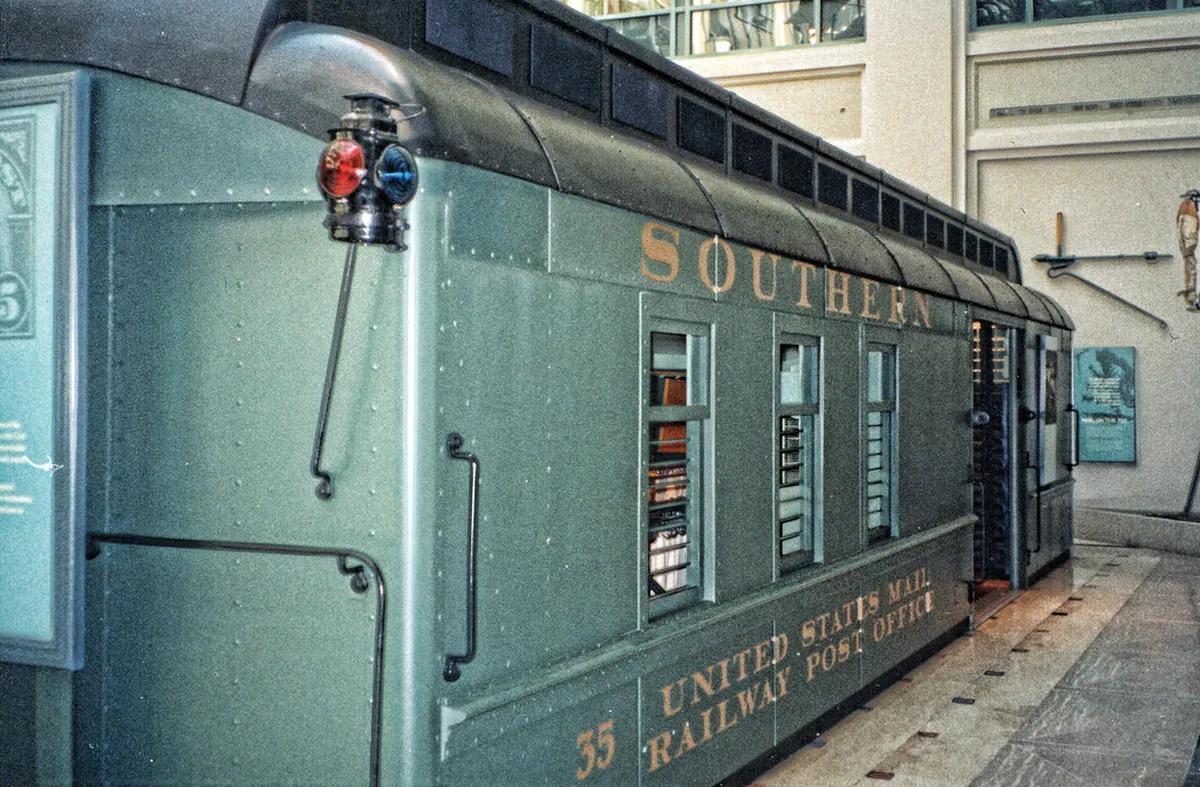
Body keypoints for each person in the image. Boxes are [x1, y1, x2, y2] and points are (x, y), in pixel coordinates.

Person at [1178, 189, 1200, 309]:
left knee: (1191, 265)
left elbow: (1189, 233)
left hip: (1189, 246)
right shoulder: (1187, 209)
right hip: (1188, 247)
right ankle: (1192, 297)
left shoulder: (1189, 209)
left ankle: (1193, 297)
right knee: (1190, 265)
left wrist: (1188, 249)